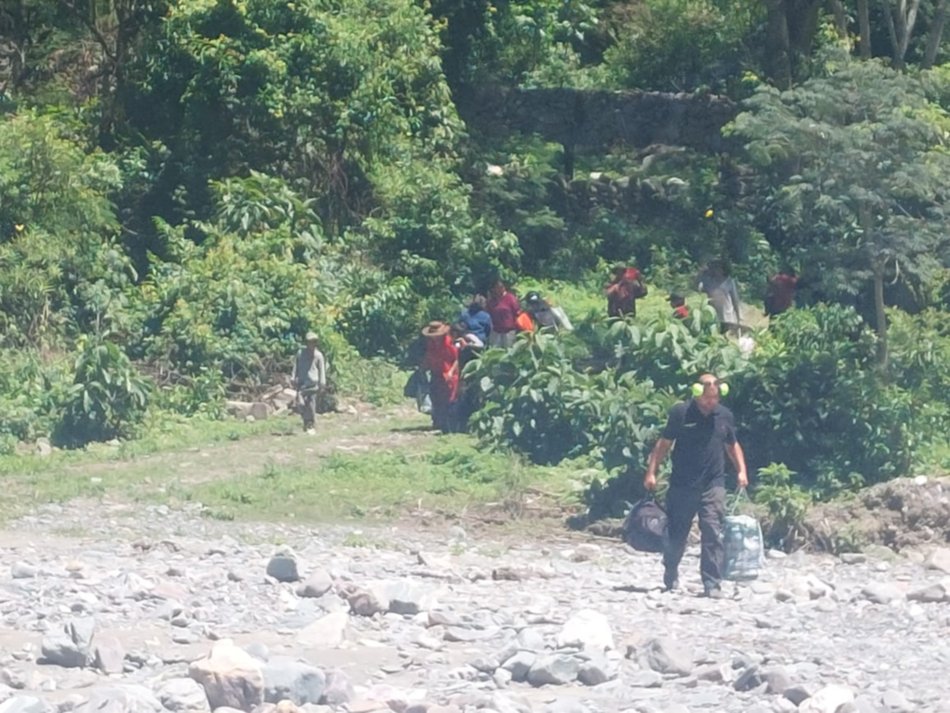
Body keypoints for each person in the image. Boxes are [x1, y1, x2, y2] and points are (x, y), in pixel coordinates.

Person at [643, 373, 748, 599]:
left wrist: (741, 470)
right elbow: (664, 444)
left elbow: (733, 446)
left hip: (714, 483)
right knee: (677, 532)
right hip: (683, 483)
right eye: (708, 398)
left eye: (715, 398)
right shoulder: (681, 413)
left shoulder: (724, 416)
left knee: (712, 530)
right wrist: (652, 471)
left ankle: (712, 583)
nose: (711, 402)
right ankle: (670, 570)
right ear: (697, 393)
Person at [421, 320, 459, 432]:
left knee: (449, 399)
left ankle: (448, 424)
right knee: (435, 396)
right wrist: (423, 366)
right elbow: (429, 356)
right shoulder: (430, 344)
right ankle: (437, 421)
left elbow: (456, 359)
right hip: (436, 372)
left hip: (448, 374)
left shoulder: (448, 343)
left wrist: (451, 372)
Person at [292, 331, 327, 435]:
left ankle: (310, 424)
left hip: (313, 385)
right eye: (310, 342)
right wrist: (293, 376)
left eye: (314, 342)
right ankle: (306, 422)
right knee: (300, 404)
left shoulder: (318, 355)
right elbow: (295, 366)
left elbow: (322, 371)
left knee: (311, 405)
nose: (312, 344)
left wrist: (322, 383)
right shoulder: (300, 353)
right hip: (302, 384)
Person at [698, 260, 741, 336]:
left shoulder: (729, 281)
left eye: (718, 268)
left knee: (726, 337)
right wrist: (701, 272)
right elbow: (698, 286)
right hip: (712, 316)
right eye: (714, 268)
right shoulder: (709, 281)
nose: (715, 270)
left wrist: (738, 318)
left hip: (727, 316)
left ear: (723, 270)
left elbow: (735, 300)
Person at [486, 279, 521, 348]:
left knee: (508, 351)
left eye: (501, 287)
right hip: (496, 331)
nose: (500, 289)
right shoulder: (492, 301)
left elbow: (517, 312)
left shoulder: (510, 298)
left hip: (508, 331)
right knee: (495, 352)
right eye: (497, 287)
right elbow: (488, 312)